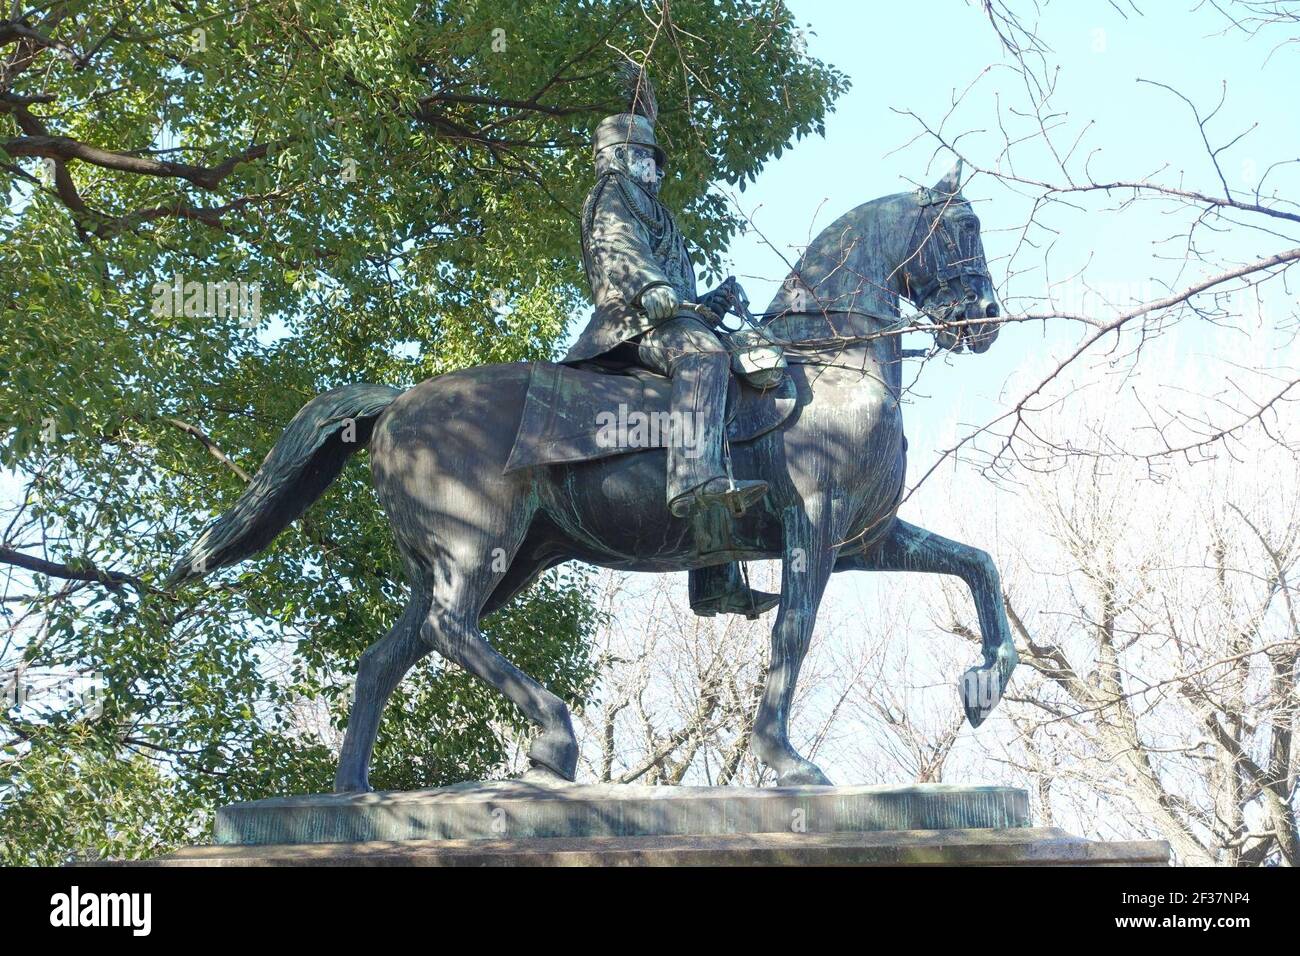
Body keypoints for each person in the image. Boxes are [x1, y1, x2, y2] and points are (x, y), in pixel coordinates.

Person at [562, 64, 777, 618]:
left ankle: (714, 578)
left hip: (667, 317)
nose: (649, 169)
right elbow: (619, 251)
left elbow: (678, 290)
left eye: (652, 161)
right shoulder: (610, 196)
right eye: (639, 158)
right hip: (628, 325)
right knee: (703, 356)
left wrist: (709, 303)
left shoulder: (656, 207)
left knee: (729, 384)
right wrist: (649, 285)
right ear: (614, 159)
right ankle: (692, 478)